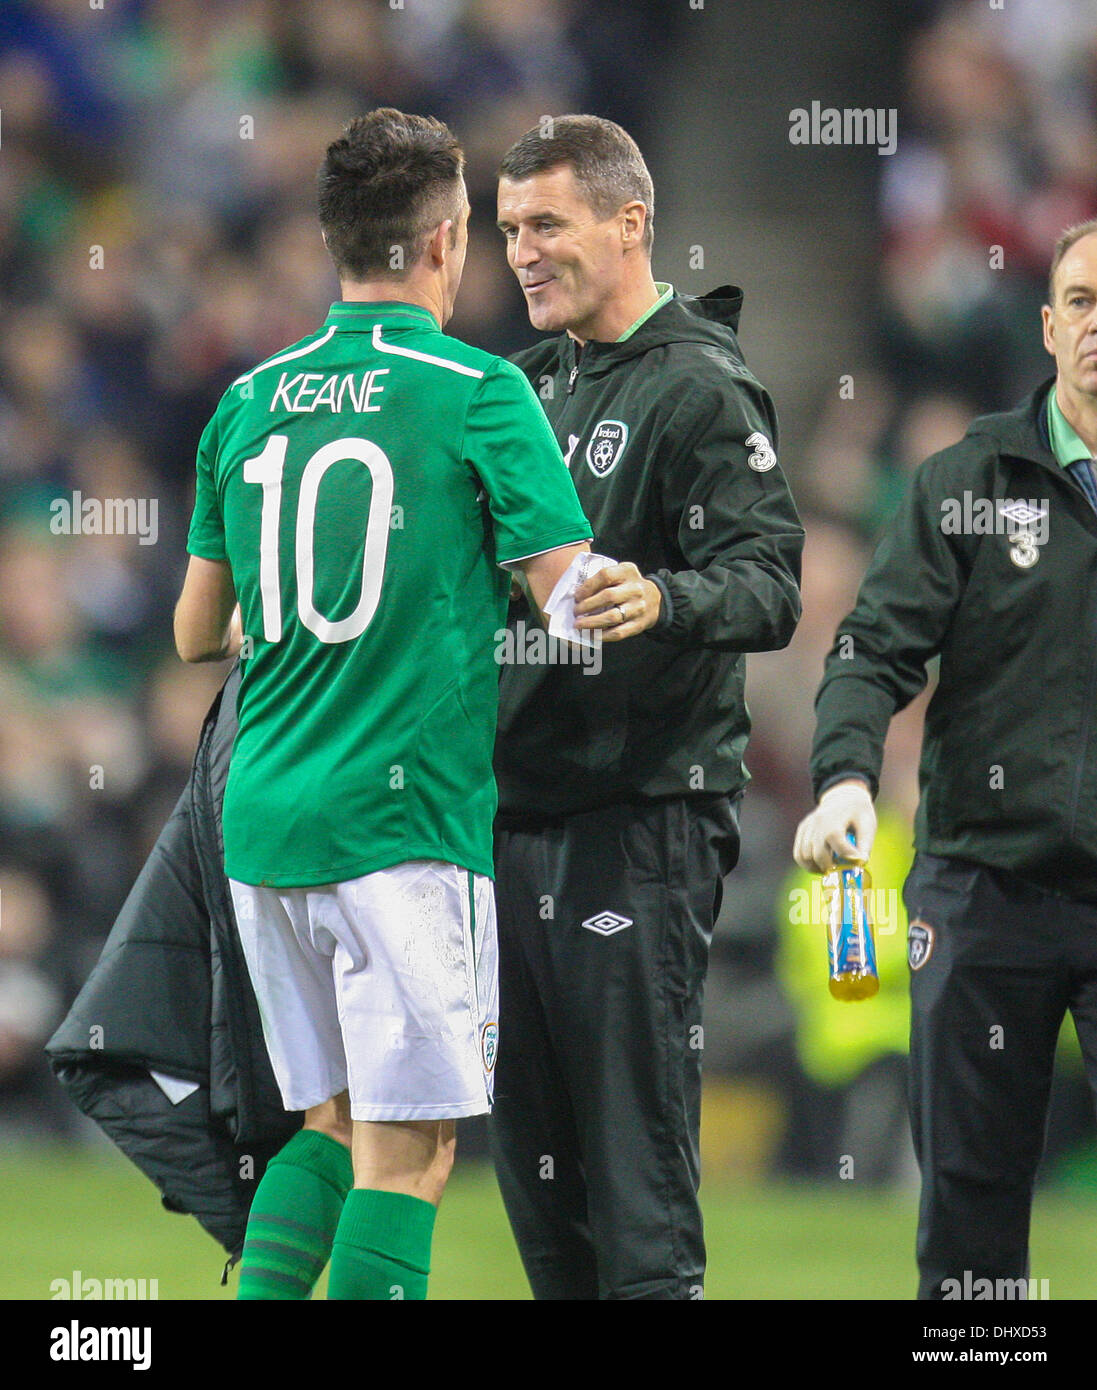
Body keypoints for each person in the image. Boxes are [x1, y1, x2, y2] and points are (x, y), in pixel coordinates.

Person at [172, 107, 594, 1301]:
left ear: (329, 239)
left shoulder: (248, 399)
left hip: (264, 824)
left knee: (327, 1121)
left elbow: (196, 631)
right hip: (401, 832)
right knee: (412, 1155)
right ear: (445, 242)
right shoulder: (477, 391)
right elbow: (569, 595)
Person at [489, 115, 804, 1299]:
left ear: (629, 225)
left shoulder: (701, 388)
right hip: (505, 824)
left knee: (633, 1183)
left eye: (547, 225)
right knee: (536, 1182)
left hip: (635, 827)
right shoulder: (516, 388)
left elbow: (769, 582)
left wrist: (660, 596)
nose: (520, 251)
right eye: (509, 228)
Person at [793, 219, 1097, 1300]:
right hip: (981, 888)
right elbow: (872, 646)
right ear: (1047, 323)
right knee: (970, 1220)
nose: (1096, 322)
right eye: (1080, 299)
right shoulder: (967, 479)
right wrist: (843, 775)